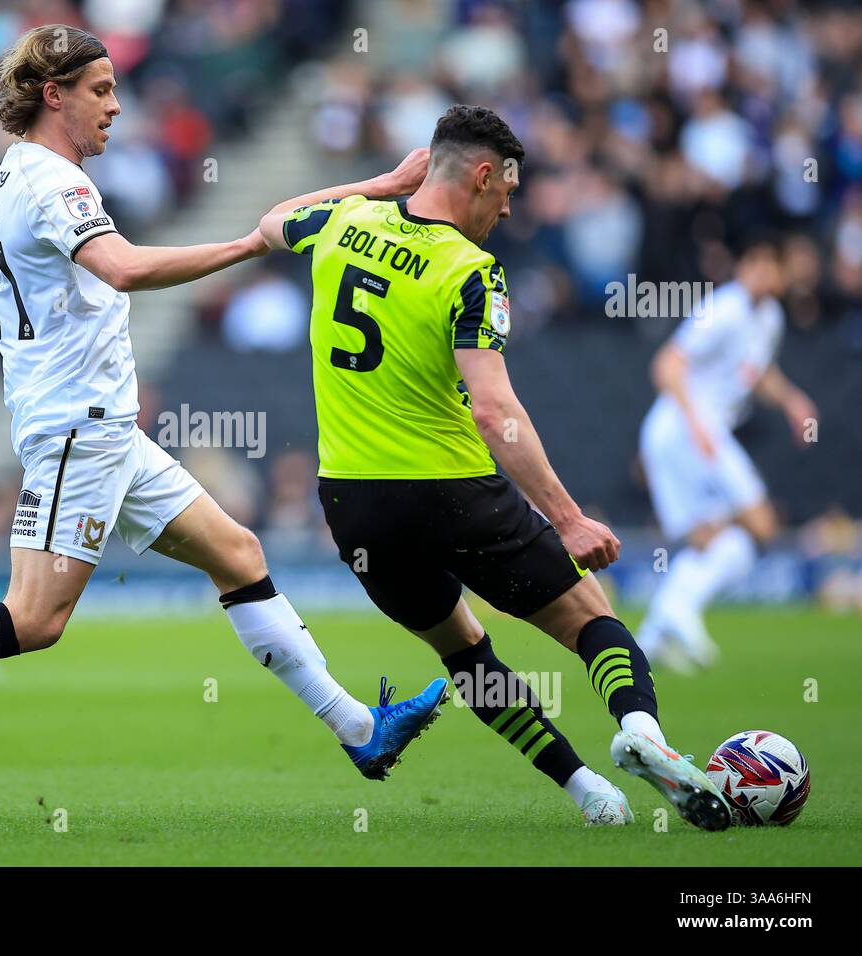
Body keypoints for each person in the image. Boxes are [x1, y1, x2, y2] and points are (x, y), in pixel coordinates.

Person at [0, 25, 449, 807]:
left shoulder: (6, 179)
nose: (115, 105)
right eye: (101, 90)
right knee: (35, 620)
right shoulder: (57, 185)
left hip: (100, 428)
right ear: (54, 95)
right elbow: (125, 268)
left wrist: (24, 325)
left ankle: (358, 732)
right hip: (78, 428)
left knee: (237, 554)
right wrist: (243, 248)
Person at [258, 104, 731, 830]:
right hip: (450, 489)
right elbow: (493, 411)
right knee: (591, 619)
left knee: (465, 650)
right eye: (507, 192)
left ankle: (587, 794)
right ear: (482, 176)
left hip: (352, 504)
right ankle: (643, 735)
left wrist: (383, 184)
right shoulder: (472, 270)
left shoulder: (344, 223)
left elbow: (273, 220)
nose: (508, 209)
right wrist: (567, 518)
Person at [638, 239, 816, 670]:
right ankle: (678, 610)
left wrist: (793, 402)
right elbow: (666, 365)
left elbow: (755, 372)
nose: (761, 273)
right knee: (760, 523)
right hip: (686, 430)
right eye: (754, 263)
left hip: (696, 433)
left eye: (770, 266)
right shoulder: (724, 310)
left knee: (709, 536)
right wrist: (697, 423)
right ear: (743, 267)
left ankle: (660, 624)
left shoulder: (768, 317)